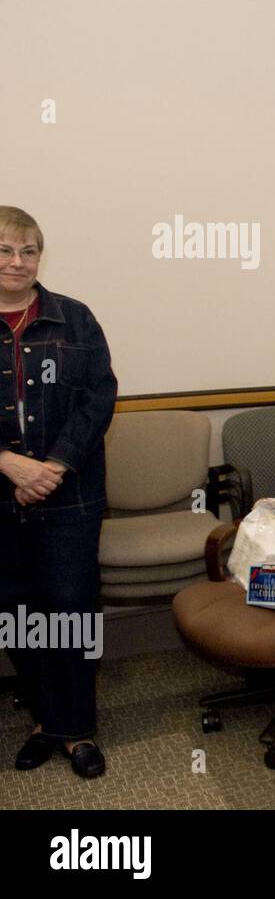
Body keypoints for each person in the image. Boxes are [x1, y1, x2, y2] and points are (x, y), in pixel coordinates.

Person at [0, 206, 117, 779]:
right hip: (2, 500)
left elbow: (99, 398)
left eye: (28, 251)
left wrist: (50, 467)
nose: (17, 262)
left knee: (70, 611)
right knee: (18, 614)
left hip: (69, 497)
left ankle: (77, 731)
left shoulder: (75, 319)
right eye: (4, 251)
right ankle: (44, 720)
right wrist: (9, 466)